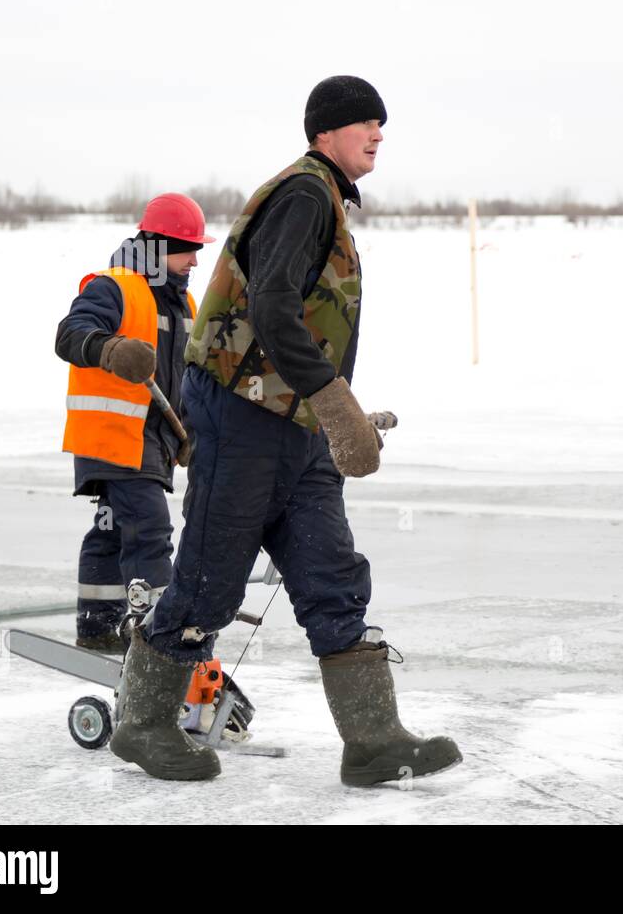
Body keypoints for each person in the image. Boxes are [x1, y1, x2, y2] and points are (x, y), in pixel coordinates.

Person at [109, 76, 461, 785]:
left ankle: (373, 741)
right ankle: (142, 725)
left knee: (333, 578)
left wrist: (333, 412)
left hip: (294, 426)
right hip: (245, 419)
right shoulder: (304, 193)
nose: (379, 135)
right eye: (366, 122)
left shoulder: (325, 199)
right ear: (325, 132)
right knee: (209, 581)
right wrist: (337, 403)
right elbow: (271, 307)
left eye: (382, 125)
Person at [55, 194, 212, 652]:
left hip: (152, 440)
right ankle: (160, 640)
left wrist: (188, 430)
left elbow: (187, 376)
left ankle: (98, 626)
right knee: (148, 529)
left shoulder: (186, 305)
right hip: (114, 436)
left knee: (110, 529)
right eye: (188, 249)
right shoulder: (113, 287)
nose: (195, 261)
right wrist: (109, 349)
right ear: (158, 247)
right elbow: (70, 333)